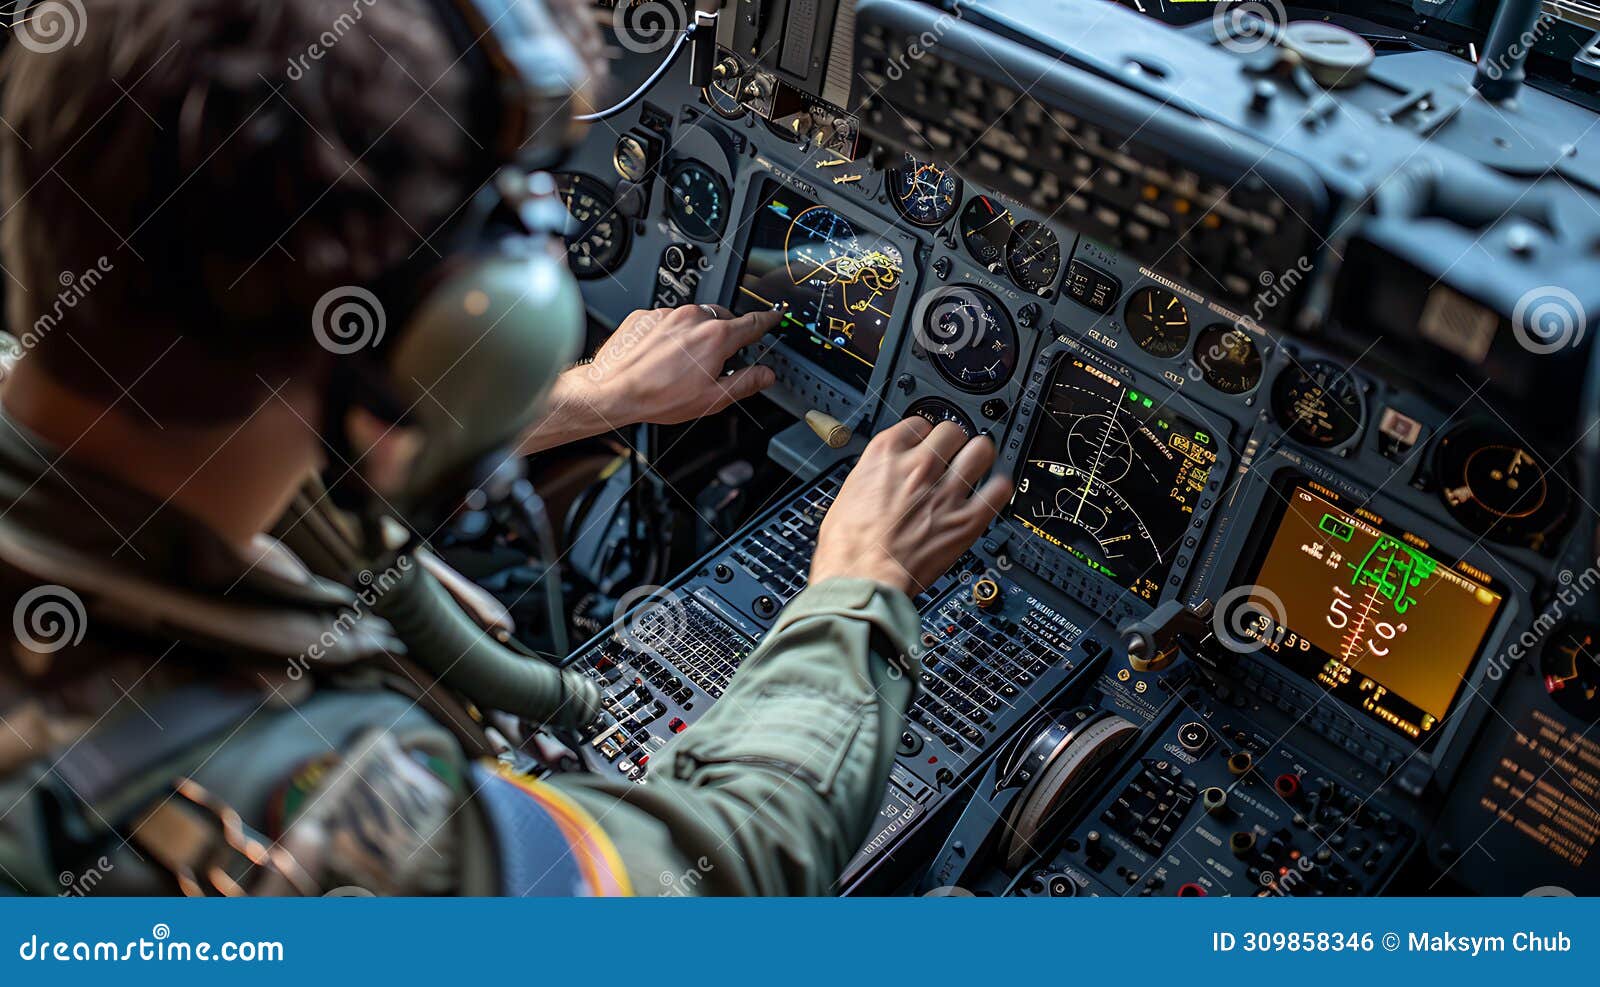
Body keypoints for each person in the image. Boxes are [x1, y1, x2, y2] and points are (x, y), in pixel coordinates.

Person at [0, 0, 1010, 896]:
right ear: (442, 325)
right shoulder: (297, 825)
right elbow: (707, 880)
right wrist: (858, 591)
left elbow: (242, 430)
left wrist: (583, 399)